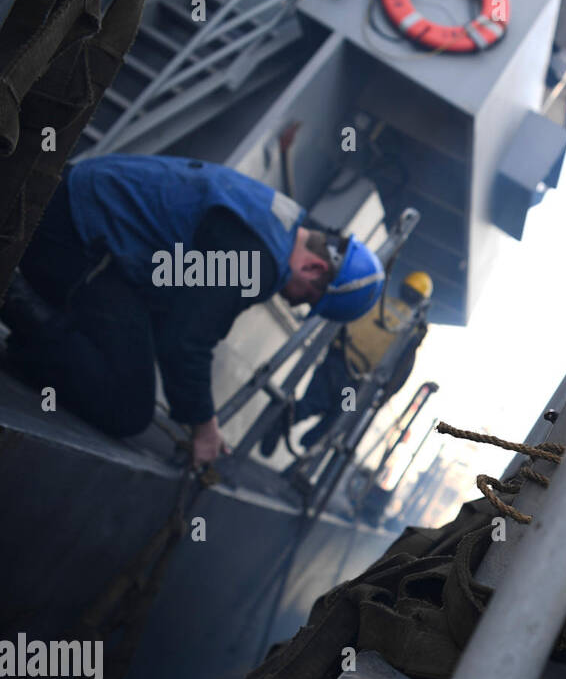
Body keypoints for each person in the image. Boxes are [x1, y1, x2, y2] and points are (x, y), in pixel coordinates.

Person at [0, 154, 385, 466]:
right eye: (308, 299)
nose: (294, 303)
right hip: (72, 236)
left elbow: (189, 311)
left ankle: (34, 336)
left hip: (78, 213)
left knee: (127, 352)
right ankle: (14, 297)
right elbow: (185, 341)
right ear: (314, 268)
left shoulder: (278, 221)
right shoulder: (259, 257)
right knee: (127, 409)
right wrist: (204, 428)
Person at [260, 270, 433, 456]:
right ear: (422, 301)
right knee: (337, 418)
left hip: (335, 360)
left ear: (402, 287)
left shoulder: (376, 301)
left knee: (313, 402)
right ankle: (307, 448)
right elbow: (402, 372)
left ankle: (280, 424)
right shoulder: (411, 331)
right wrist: (383, 397)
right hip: (354, 380)